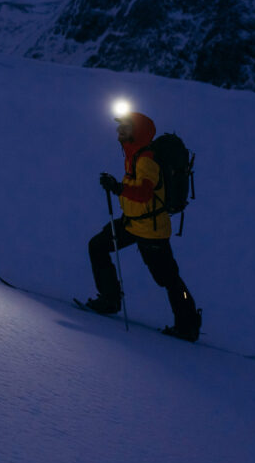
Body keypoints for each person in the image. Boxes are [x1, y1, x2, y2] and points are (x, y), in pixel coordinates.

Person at [86, 109, 202, 342]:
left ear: (136, 133)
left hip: (151, 231)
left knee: (169, 279)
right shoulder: (134, 155)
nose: (119, 131)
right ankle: (109, 298)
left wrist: (118, 188)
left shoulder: (146, 160)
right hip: (133, 224)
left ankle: (188, 324)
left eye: (124, 128)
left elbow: (144, 193)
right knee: (98, 246)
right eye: (119, 127)